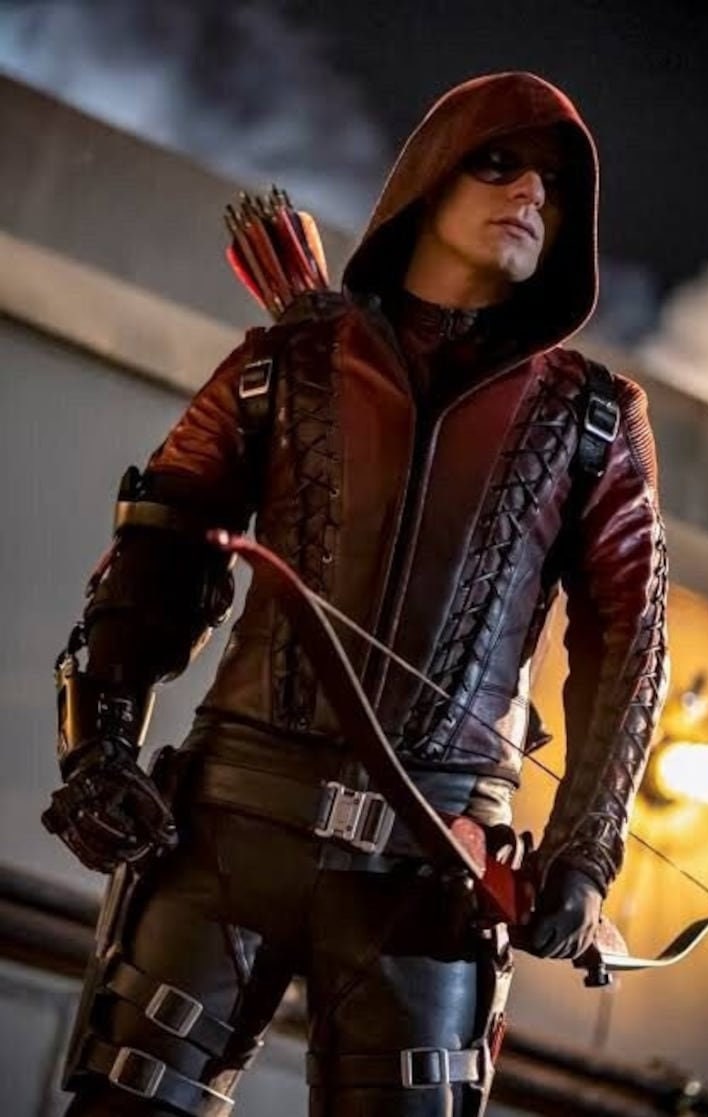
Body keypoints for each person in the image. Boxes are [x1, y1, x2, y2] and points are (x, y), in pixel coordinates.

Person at [43, 71, 669, 1117]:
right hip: (229, 832)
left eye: (554, 185)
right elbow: (162, 542)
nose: (530, 194)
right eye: (498, 162)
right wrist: (98, 739)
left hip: (429, 882)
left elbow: (628, 640)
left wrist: (584, 851)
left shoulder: (596, 419)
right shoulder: (283, 360)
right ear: (430, 178)